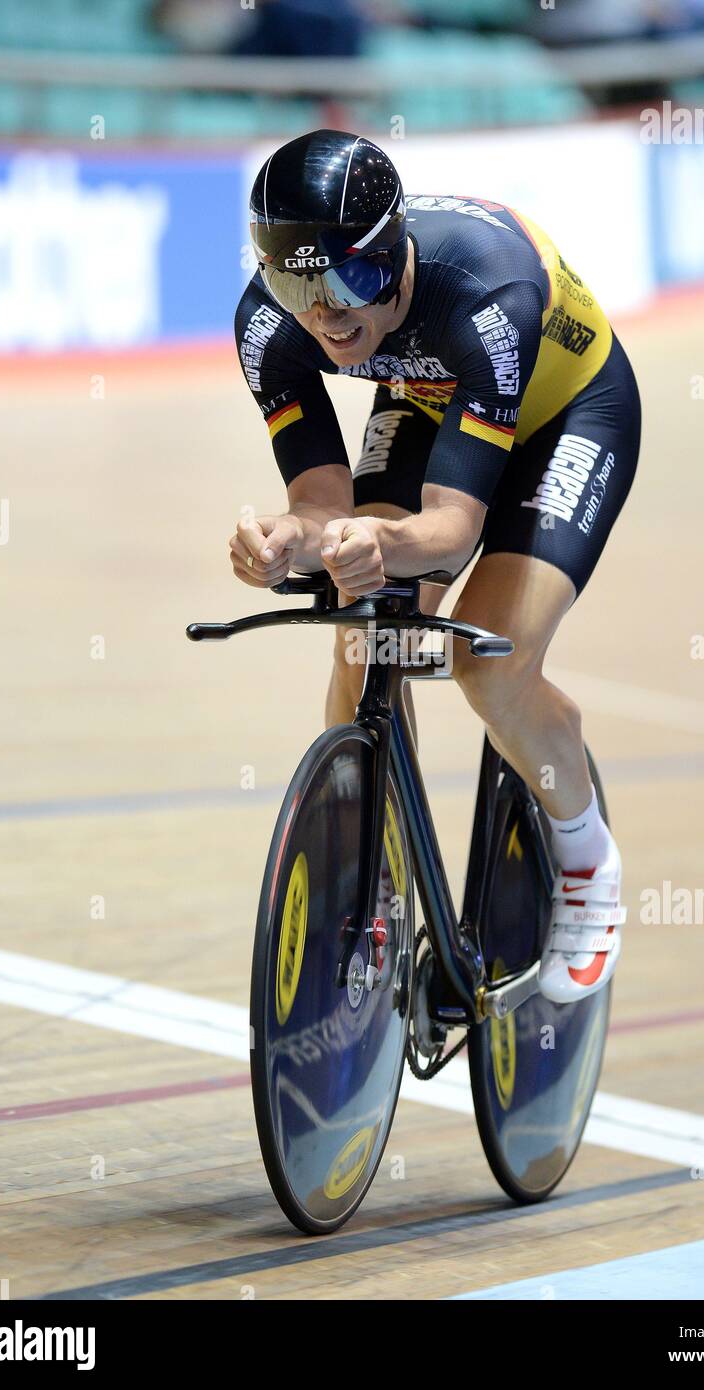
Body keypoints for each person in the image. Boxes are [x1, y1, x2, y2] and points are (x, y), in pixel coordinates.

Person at [231, 129, 639, 1003]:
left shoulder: (488, 291)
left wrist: (378, 547)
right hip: (430, 396)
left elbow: (450, 531)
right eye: (299, 286)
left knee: (485, 659)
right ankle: (370, 880)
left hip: (566, 414)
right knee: (363, 637)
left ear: (395, 251)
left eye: (352, 281)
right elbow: (321, 509)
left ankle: (584, 854)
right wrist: (283, 543)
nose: (328, 315)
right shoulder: (270, 326)